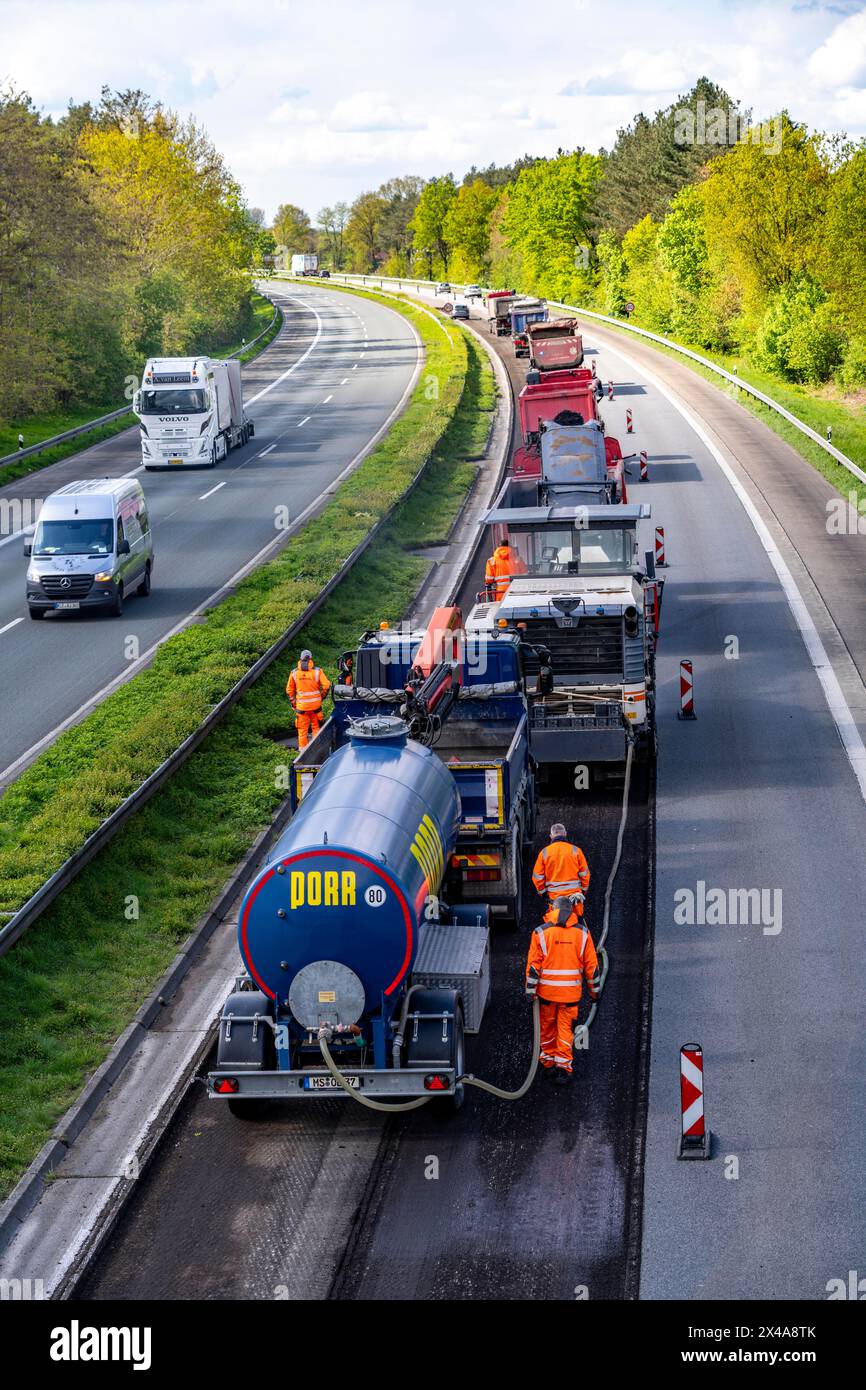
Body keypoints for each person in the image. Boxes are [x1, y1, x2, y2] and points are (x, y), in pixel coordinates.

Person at [525, 896, 600, 1084]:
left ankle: (548, 1064)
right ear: (572, 912)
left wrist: (530, 991)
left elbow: (534, 967)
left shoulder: (540, 933)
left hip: (546, 994)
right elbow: (592, 968)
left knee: (547, 1028)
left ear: (553, 909)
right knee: (565, 1030)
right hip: (570, 995)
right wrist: (594, 993)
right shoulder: (583, 934)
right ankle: (564, 1068)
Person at [531, 823, 590, 915]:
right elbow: (585, 874)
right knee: (577, 925)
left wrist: (544, 893)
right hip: (574, 899)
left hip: (555, 900)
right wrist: (582, 890)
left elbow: (537, 877)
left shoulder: (544, 853)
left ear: (551, 836)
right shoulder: (576, 851)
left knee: (555, 923)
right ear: (565, 834)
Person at [286, 649, 331, 749]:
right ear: (310, 658)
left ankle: (303, 753)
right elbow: (327, 685)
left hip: (301, 708)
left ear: (300, 658)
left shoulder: (294, 673)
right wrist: (322, 696)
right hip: (316, 707)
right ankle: (317, 749)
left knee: (302, 731)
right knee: (316, 728)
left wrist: (294, 703)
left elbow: (289, 690)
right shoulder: (317, 671)